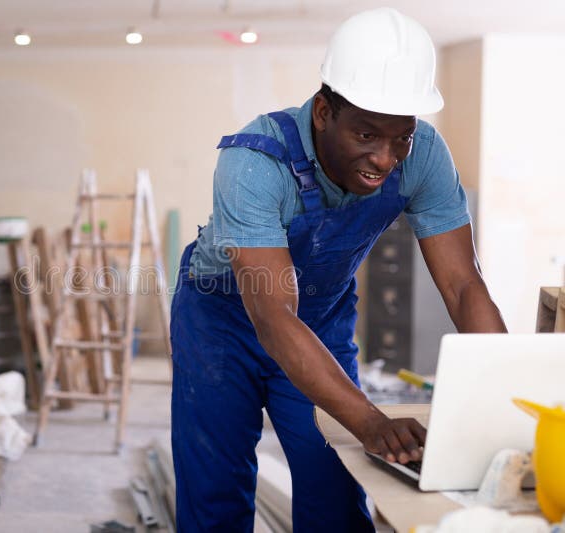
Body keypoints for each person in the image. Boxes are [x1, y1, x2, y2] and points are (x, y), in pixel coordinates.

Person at [170, 7, 507, 532]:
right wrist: (371, 420)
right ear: (324, 112)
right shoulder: (255, 162)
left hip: (320, 318)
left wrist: (505, 404)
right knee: (216, 488)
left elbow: (464, 285)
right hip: (222, 322)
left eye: (401, 138)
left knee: (335, 482)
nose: (386, 159)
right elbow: (275, 317)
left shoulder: (424, 156)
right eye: (367, 135)